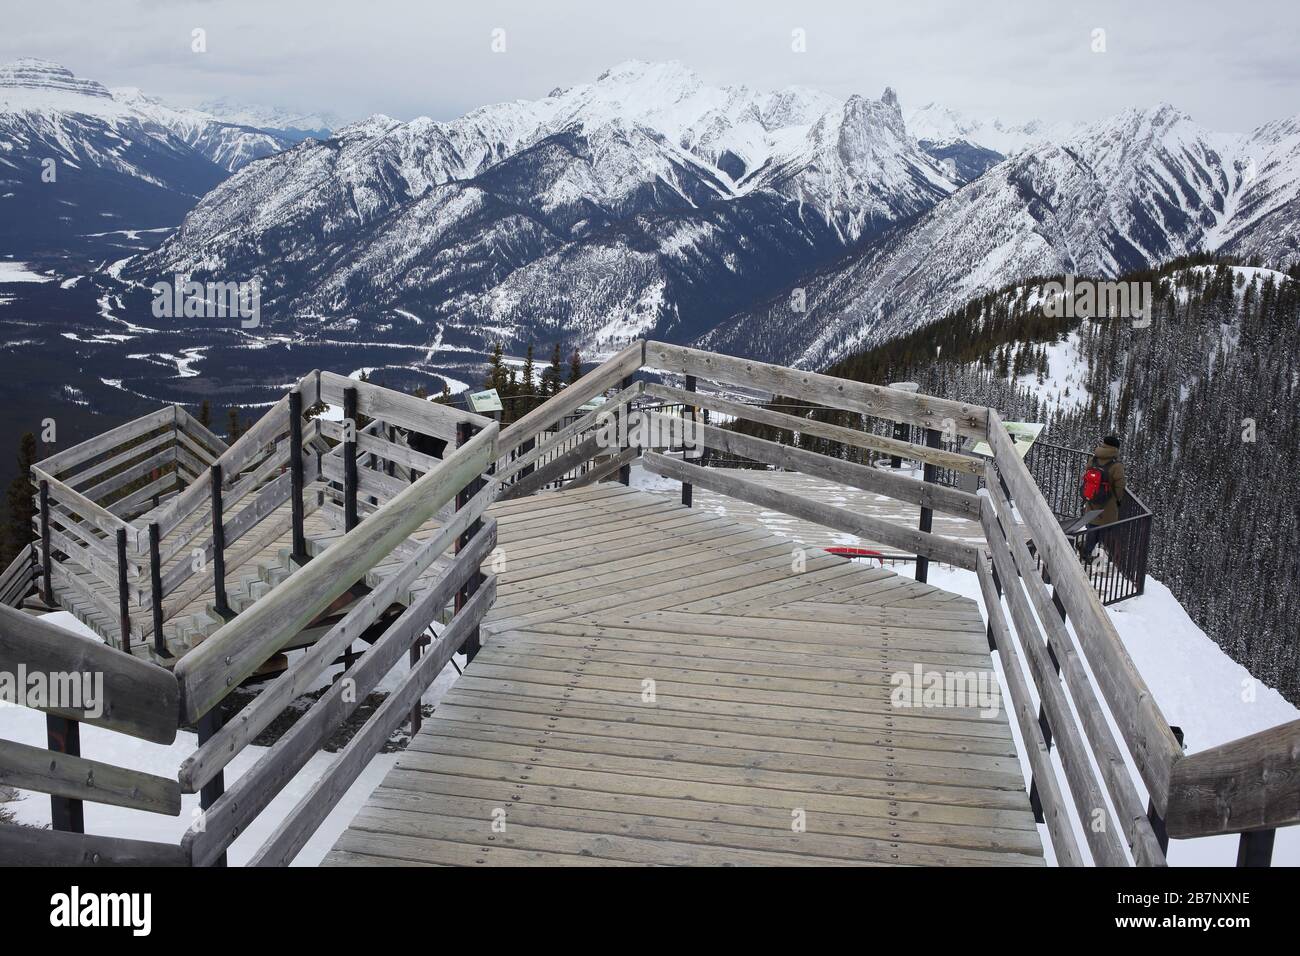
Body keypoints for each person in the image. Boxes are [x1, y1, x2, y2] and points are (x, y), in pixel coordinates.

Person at [1079, 435, 1125, 564]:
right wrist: (1118, 499)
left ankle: (1087, 550)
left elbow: (1086, 476)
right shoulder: (1116, 466)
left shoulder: (1093, 459)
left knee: (1091, 526)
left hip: (1091, 499)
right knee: (1103, 529)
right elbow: (1120, 485)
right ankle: (1087, 552)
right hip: (1107, 504)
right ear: (1116, 448)